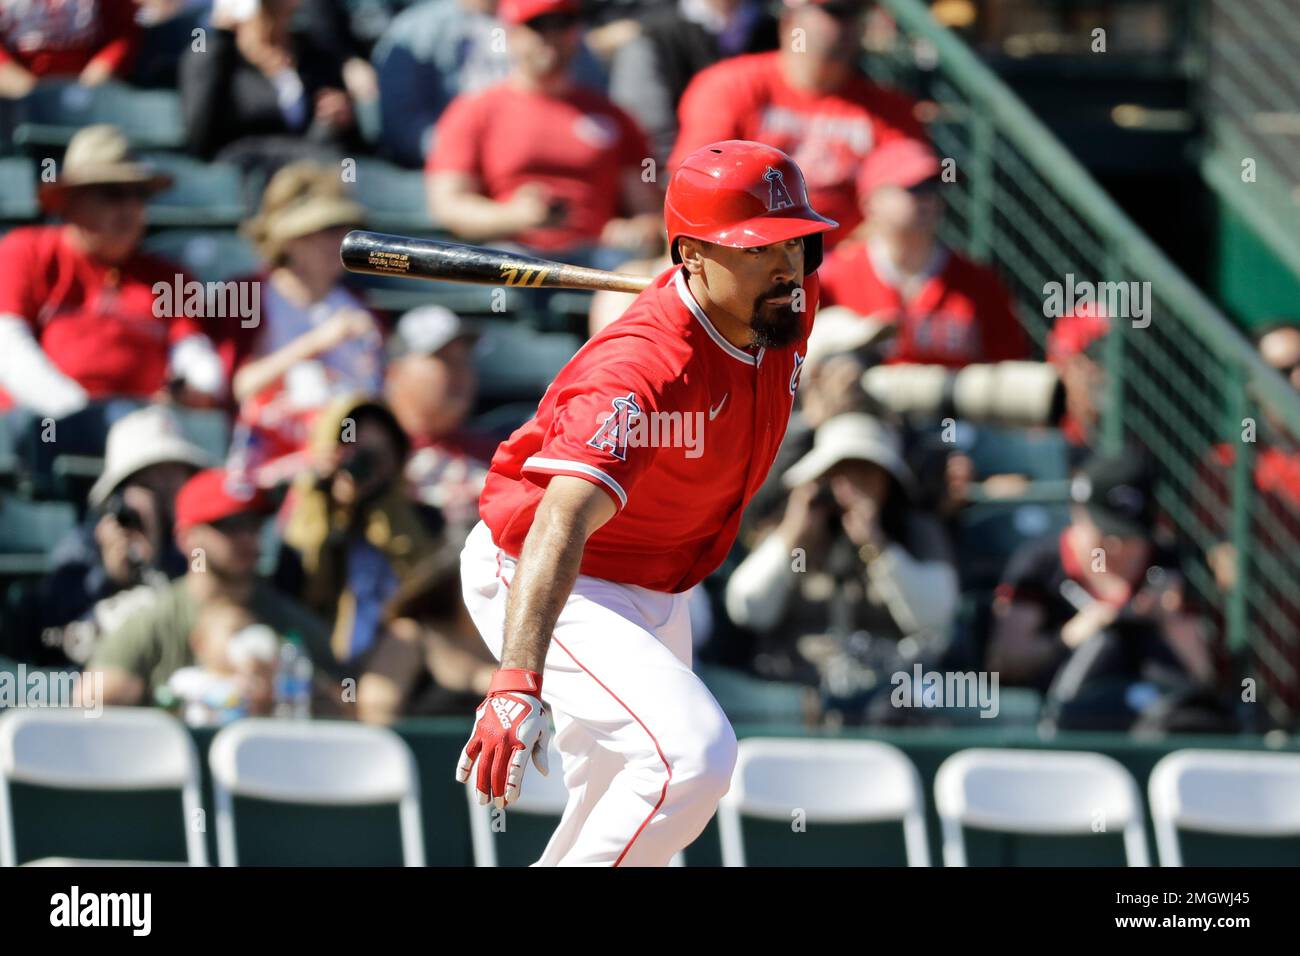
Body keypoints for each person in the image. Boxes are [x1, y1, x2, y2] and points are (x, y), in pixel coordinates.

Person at [456, 140, 836, 866]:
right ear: (692, 256)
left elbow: (776, 286)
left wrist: (738, 275)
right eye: (760, 249)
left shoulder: (781, 302)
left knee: (620, 797)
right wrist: (517, 676)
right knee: (690, 759)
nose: (789, 266)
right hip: (555, 572)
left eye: (797, 243)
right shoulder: (638, 369)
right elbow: (559, 518)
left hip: (661, 580)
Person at [725, 413, 958, 703]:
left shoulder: (916, 532)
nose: (851, 487)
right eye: (840, 473)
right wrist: (793, 536)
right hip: (795, 694)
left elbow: (934, 618)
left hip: (889, 695)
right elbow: (748, 610)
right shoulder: (795, 529)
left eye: (866, 473)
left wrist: (878, 548)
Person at [0, 125, 225, 420]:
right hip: (42, 426)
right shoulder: (27, 250)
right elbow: (8, 347)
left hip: (143, 433)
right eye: (113, 194)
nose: (131, 208)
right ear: (71, 202)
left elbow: (195, 355)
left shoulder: (170, 277)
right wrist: (84, 415)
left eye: (139, 195)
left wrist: (194, 389)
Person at [668, 0, 925, 248]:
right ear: (790, 21)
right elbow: (692, 186)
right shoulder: (731, 84)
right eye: (836, 12)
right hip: (745, 254)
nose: (849, 25)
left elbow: (904, 202)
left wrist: (843, 264)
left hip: (843, 261)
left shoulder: (889, 108)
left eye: (858, 12)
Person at [426, 0, 662, 268]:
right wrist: (513, 216)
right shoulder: (475, 110)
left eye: (562, 24)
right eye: (537, 26)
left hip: (596, 260)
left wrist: (633, 232)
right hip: (509, 258)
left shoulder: (614, 116)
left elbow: (648, 210)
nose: (551, 37)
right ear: (511, 34)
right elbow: (448, 205)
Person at [988, 453, 1214, 730]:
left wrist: (1169, 620)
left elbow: (1203, 677)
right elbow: (1005, 662)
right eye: (1107, 535)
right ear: (1078, 513)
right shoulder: (1041, 563)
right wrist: (1072, 634)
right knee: (1104, 644)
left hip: (1153, 717)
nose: (1118, 548)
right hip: (1069, 712)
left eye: (1129, 537)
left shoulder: (1165, 564)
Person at [88, 467, 339, 707]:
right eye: (229, 525)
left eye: (254, 524)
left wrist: (299, 690)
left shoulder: (293, 623)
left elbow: (350, 703)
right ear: (187, 539)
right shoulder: (155, 620)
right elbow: (91, 698)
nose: (247, 538)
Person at [212, 161, 383, 486]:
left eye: (345, 231)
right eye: (327, 231)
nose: (341, 243)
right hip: (270, 464)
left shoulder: (360, 306)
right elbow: (240, 388)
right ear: (290, 239)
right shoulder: (249, 294)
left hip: (344, 460)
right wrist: (318, 342)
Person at [10, 405, 210, 667]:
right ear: (120, 491)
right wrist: (109, 577)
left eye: (174, 477)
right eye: (149, 483)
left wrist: (159, 560)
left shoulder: (203, 542)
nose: (163, 494)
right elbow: (50, 629)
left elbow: (209, 603)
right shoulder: (84, 545)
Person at [817, 137, 1029, 367]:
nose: (927, 198)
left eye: (933, 186)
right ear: (871, 203)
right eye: (914, 188)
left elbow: (1009, 368)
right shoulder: (833, 279)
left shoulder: (979, 283)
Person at [278, 395, 438, 666]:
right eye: (351, 450)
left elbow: (425, 590)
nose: (363, 466)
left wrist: (388, 507)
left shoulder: (425, 519)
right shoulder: (305, 514)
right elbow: (299, 586)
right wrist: (321, 495)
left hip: (399, 662)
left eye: (378, 456)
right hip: (319, 665)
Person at [371, 0, 608, 168]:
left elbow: (591, 104)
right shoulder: (417, 29)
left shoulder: (552, 18)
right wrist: (472, 157)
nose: (547, 34)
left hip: (546, 166)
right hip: (452, 172)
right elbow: (403, 123)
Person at [178, 0, 360, 170]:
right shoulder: (219, 55)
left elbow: (349, 140)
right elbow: (199, 140)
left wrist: (334, 120)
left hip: (306, 167)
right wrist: (221, 37)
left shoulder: (315, 55)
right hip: (245, 171)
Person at [607, 0, 779, 165]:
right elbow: (647, 137)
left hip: (769, 175)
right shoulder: (654, 35)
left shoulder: (779, 28)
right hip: (684, 174)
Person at [384, 305, 496, 540]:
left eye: (464, 359)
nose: (460, 371)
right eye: (443, 359)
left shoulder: (495, 453)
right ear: (395, 372)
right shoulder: (366, 443)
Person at [0, 0, 139, 97]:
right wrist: (27, 91)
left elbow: (123, 32)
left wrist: (96, 79)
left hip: (84, 95)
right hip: (14, 98)